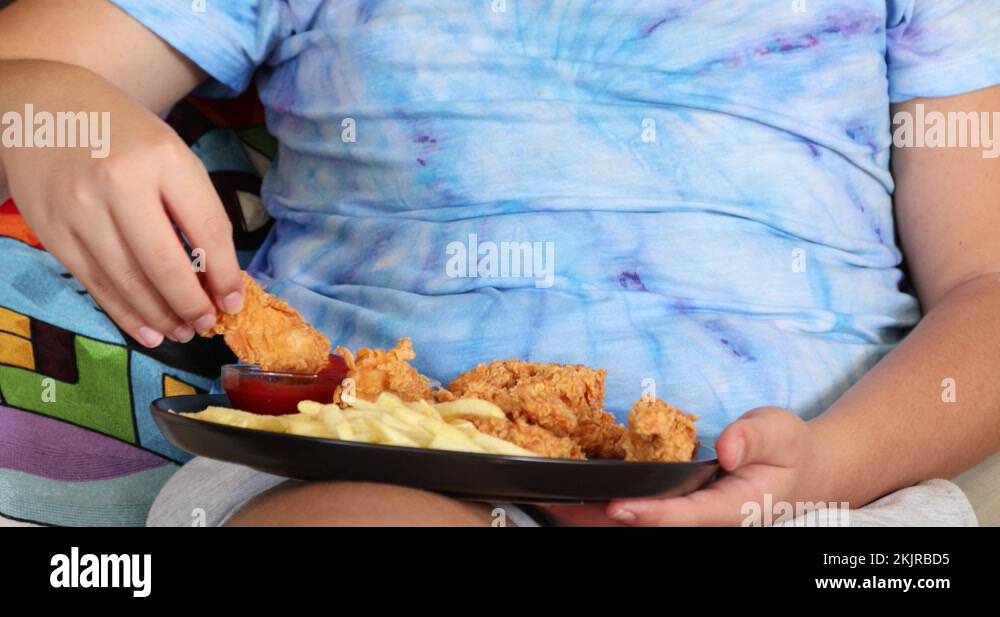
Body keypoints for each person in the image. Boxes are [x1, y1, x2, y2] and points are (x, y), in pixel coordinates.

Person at [0, 0, 997, 527]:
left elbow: (984, 289)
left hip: (817, 491)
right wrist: (46, 110)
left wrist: (831, 466)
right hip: (382, 474)